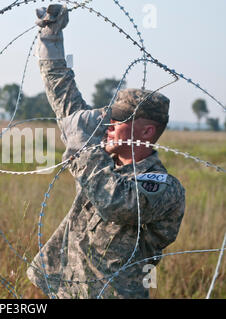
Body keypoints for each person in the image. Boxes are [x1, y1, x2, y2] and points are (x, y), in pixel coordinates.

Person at [27, 4, 185, 299]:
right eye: (109, 117)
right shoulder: (106, 161)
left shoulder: (163, 188)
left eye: (120, 120)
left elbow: (115, 202)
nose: (109, 125)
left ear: (147, 132)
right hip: (62, 292)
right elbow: (63, 92)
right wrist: (51, 38)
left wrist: (84, 148)